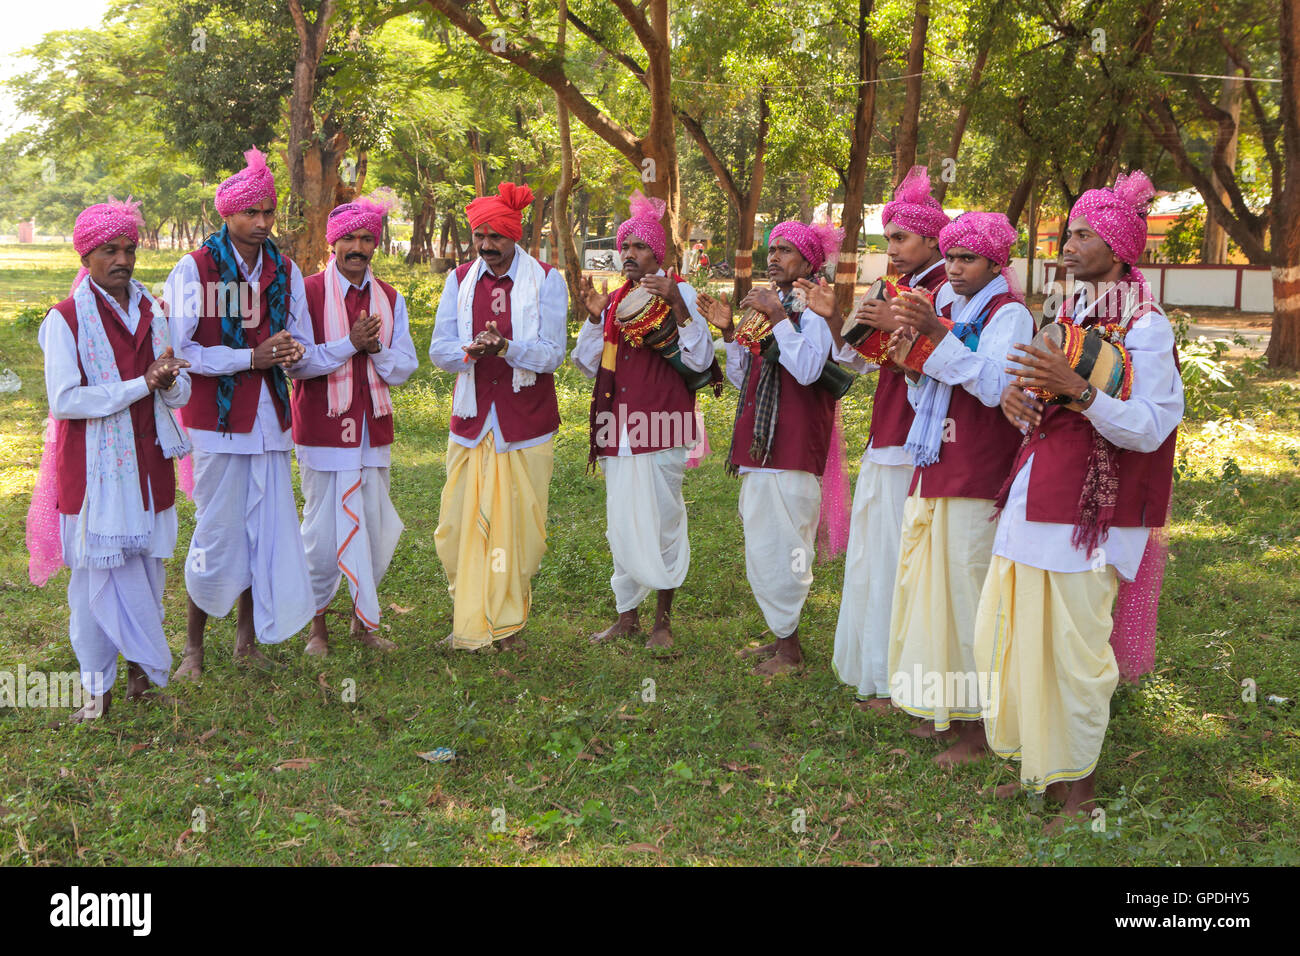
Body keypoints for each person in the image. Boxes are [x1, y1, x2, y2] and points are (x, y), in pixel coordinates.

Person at [977, 171, 1182, 830]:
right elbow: (1045, 403)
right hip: (1036, 494)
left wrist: (1081, 391)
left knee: (1073, 652)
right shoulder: (1069, 313)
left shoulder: (1147, 326)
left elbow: (1151, 423)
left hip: (1091, 514)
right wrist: (1019, 403)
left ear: (1119, 248)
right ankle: (1039, 763)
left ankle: (1080, 793)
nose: (1068, 244)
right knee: (1015, 637)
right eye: (1067, 231)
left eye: (1083, 234)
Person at [34, 199, 191, 720]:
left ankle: (140, 678)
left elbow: (178, 390)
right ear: (87, 256)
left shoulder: (153, 310)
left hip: (148, 465)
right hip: (93, 474)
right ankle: (96, 691)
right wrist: (138, 385)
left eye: (129, 248)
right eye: (109, 250)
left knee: (146, 571)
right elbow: (66, 401)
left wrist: (168, 384)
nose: (122, 259)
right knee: (93, 584)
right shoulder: (65, 319)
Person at [885, 211, 1034, 764]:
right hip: (936, 458)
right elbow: (932, 389)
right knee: (930, 590)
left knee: (970, 596)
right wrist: (910, 361)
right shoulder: (948, 306)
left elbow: (997, 385)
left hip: (978, 470)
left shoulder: (1010, 314)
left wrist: (932, 337)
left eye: (967, 259)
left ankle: (979, 728)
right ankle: (944, 708)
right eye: (949, 258)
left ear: (998, 263)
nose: (954, 268)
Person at [166, 148, 315, 678]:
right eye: (249, 213)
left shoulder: (284, 268)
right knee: (217, 531)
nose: (260, 223)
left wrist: (301, 353)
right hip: (218, 424)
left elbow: (302, 343)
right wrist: (250, 357)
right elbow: (179, 350)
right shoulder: (195, 268)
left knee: (265, 531)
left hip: (272, 421)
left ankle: (246, 643)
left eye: (268, 212)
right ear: (225, 215)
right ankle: (192, 649)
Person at [829, 166, 954, 712]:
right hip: (885, 437)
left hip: (918, 444)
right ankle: (875, 672)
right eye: (889, 240)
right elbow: (850, 360)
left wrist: (891, 327)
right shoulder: (900, 289)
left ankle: (896, 682)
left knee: (899, 562)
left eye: (902, 239)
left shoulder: (946, 293)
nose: (893, 249)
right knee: (874, 556)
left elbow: (952, 367)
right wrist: (853, 321)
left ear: (933, 240)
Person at [572, 191, 719, 649]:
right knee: (621, 522)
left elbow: (699, 362)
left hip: (664, 425)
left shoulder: (684, 293)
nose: (630, 254)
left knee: (664, 520)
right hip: (617, 426)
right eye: (626, 246)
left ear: (659, 254)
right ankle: (626, 617)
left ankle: (663, 623)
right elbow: (585, 362)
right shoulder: (615, 301)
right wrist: (596, 320)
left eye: (639, 247)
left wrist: (677, 304)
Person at [698, 219, 842, 675]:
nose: (774, 257)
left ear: (808, 261)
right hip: (761, 440)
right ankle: (783, 638)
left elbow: (807, 369)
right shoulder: (773, 303)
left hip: (795, 443)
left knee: (786, 545)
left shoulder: (815, 308)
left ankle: (791, 652)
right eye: (771, 249)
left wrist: (778, 320)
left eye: (785, 250)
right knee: (764, 542)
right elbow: (746, 376)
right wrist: (727, 333)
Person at [429, 182, 567, 652]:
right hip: (471, 422)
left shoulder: (547, 279)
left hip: (524, 422)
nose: (487, 246)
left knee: (521, 531)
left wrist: (507, 349)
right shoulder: (460, 279)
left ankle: (506, 626)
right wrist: (470, 351)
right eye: (480, 236)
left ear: (515, 236)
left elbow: (552, 356)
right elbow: (439, 350)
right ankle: (470, 617)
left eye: (497, 237)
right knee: (455, 528)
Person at [293, 197, 419, 656]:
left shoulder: (389, 297)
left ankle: (362, 624)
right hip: (323, 432)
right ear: (333, 242)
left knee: (373, 527)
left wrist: (374, 350)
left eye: (367, 239)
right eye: (349, 238)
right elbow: (298, 365)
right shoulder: (304, 293)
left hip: (371, 432)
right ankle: (317, 629)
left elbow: (404, 367)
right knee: (322, 534)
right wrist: (349, 345)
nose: (358, 247)